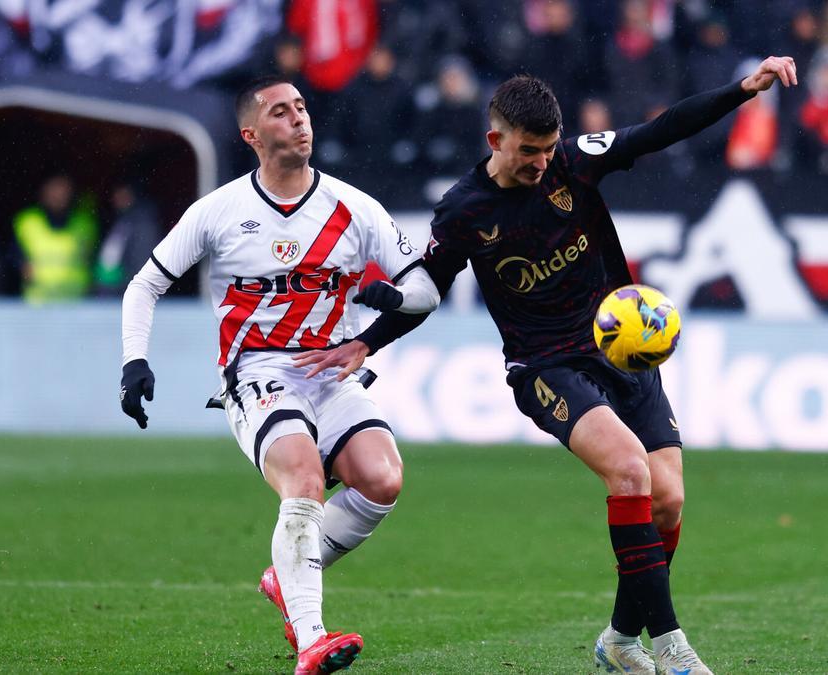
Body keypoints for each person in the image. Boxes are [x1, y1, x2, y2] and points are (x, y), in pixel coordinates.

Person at [297, 58, 798, 674]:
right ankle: (671, 646)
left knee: (667, 501)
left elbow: (659, 129)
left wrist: (742, 90)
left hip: (621, 348)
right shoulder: (464, 211)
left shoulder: (573, 162)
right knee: (629, 471)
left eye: (547, 149)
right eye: (529, 151)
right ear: (495, 141)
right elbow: (428, 285)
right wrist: (372, 337)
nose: (540, 163)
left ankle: (618, 641)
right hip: (546, 368)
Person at [117, 74, 426, 675]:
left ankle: (284, 574)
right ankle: (311, 638)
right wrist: (134, 362)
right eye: (282, 113)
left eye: (302, 108)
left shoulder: (354, 207)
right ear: (252, 134)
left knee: (383, 478)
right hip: (257, 372)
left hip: (331, 371)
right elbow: (145, 284)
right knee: (304, 481)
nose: (299, 120)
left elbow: (422, 283)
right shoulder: (219, 211)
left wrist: (382, 315)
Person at [13, 174, 98, 303]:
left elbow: (97, 261)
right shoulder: (27, 222)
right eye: (54, 189)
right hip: (37, 304)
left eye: (63, 190)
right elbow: (13, 257)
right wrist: (22, 265)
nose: (59, 195)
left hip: (77, 305)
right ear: (43, 192)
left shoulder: (85, 225)